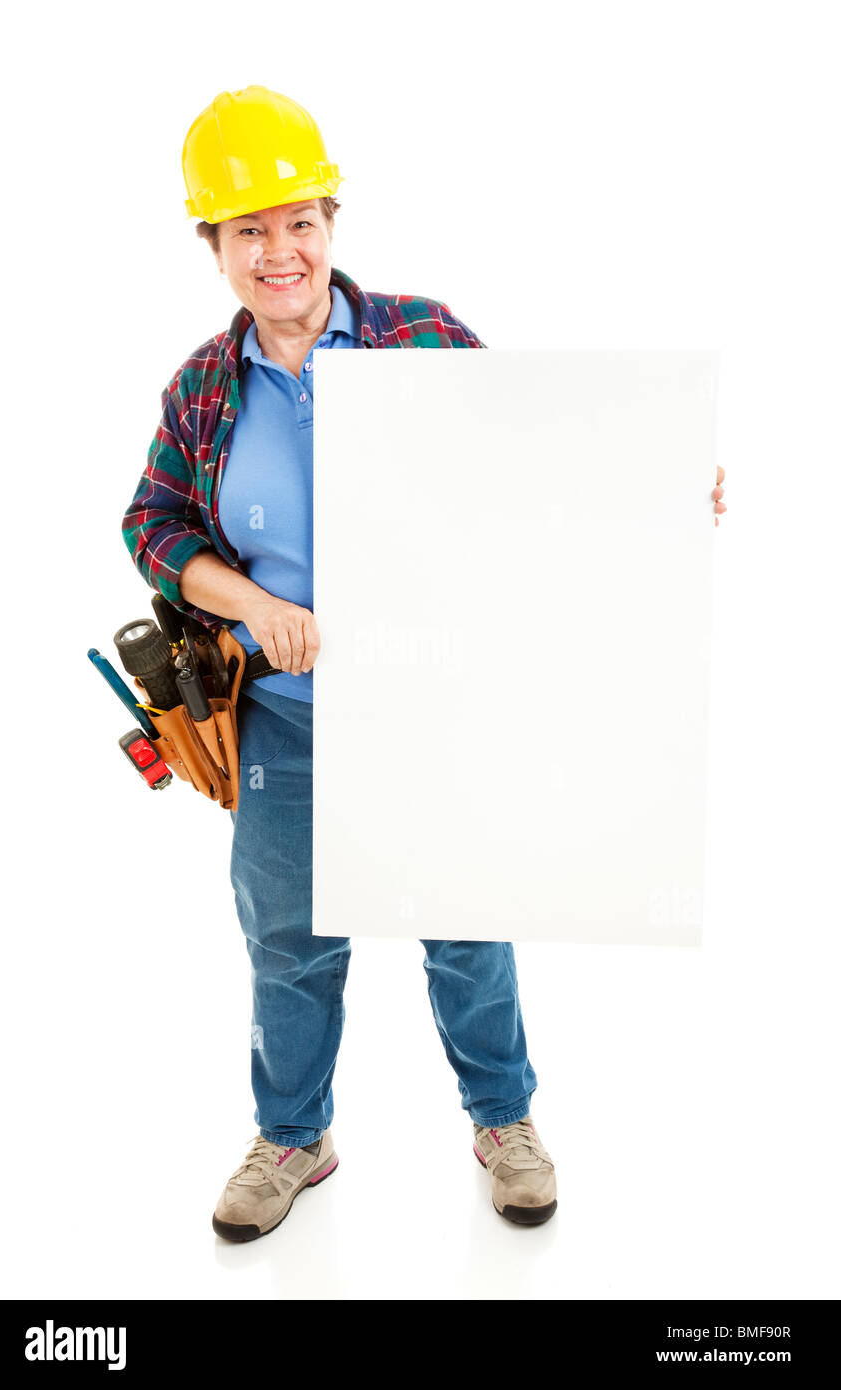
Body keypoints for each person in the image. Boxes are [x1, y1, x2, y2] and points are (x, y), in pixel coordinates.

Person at [123, 86, 727, 1243]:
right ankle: (294, 1134)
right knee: (288, 939)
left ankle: (502, 1119)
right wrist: (248, 599)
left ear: (330, 225)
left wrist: (651, 490)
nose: (278, 251)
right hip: (285, 719)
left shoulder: (419, 335)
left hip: (430, 697)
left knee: (464, 920)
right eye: (247, 229)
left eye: (297, 221)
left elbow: (527, 466)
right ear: (215, 249)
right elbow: (151, 523)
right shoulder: (204, 387)